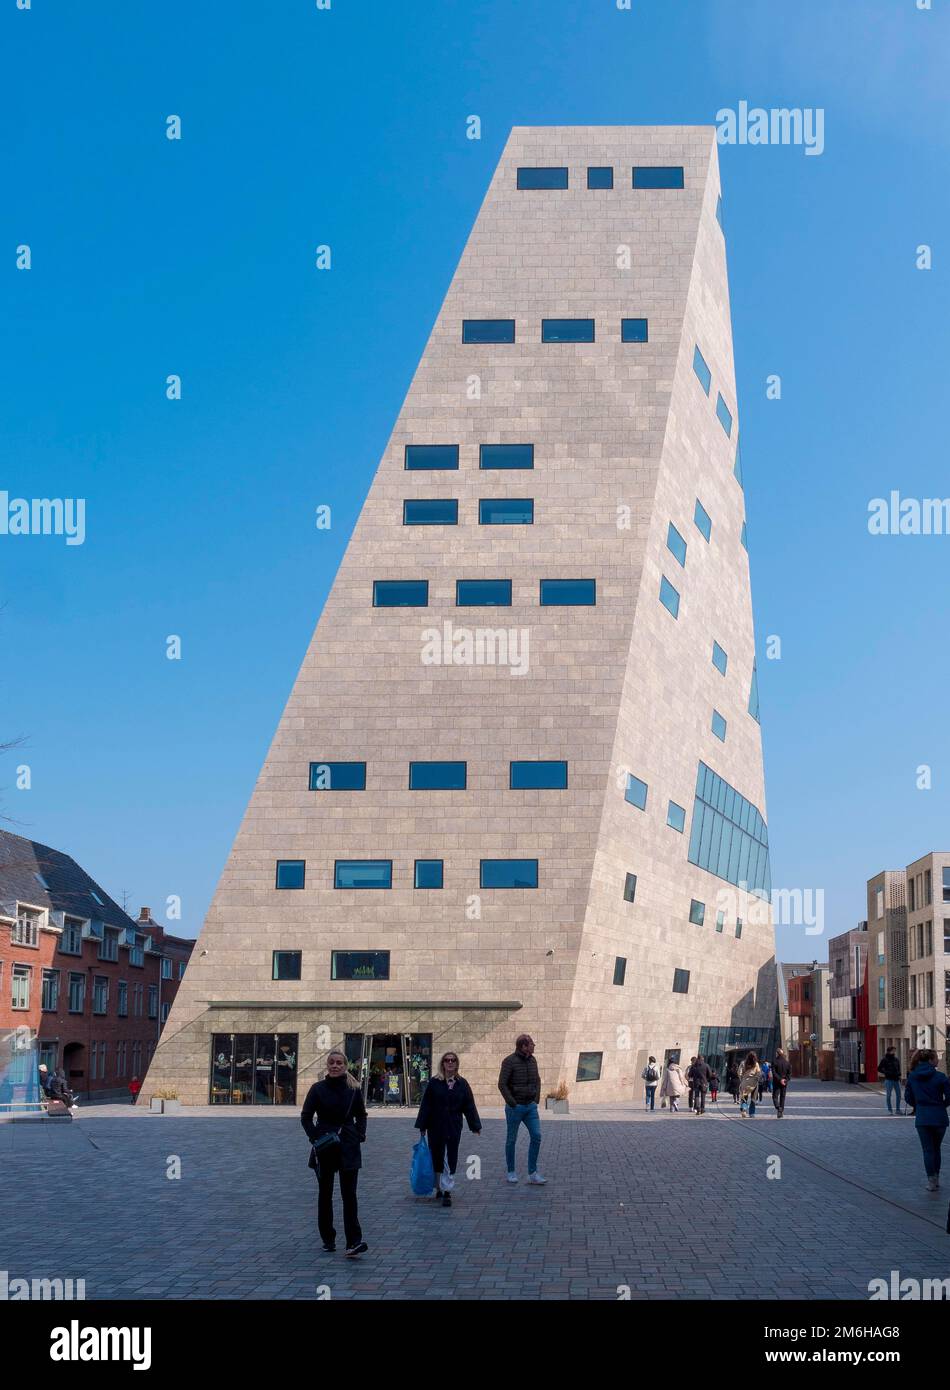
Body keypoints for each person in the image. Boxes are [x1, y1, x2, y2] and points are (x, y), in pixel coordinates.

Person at [300, 1049, 369, 1257]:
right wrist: (315, 1138)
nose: (335, 1065)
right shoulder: (317, 1089)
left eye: (339, 1062)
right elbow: (305, 1117)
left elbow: (361, 1115)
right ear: (327, 1066)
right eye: (332, 1062)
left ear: (345, 1066)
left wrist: (359, 1135)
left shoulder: (354, 1089)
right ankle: (328, 1239)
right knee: (325, 1195)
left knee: (350, 1196)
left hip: (348, 1145)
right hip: (325, 1147)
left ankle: (353, 1242)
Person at [414, 1050, 481, 1207]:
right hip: (435, 1126)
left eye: (453, 1060)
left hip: (453, 1126)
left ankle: (447, 1190)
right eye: (447, 1060)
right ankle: (439, 1187)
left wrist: (475, 1126)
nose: (450, 1062)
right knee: (436, 1155)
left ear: (457, 1064)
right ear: (442, 1064)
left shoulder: (462, 1084)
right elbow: (426, 1105)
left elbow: (469, 1106)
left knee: (449, 1157)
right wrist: (422, 1126)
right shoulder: (434, 1083)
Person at [498, 1034, 545, 1185]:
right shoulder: (509, 1061)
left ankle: (533, 1173)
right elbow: (502, 1084)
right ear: (523, 1046)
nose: (534, 1046)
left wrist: (536, 1099)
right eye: (531, 1044)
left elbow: (537, 1080)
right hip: (515, 1108)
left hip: (530, 1107)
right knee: (511, 1140)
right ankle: (511, 1172)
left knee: (536, 1136)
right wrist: (512, 1103)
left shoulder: (533, 1060)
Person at [904, 1048, 950, 1191]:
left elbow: (908, 1097)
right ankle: (936, 1178)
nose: (938, 1060)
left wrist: (918, 1105)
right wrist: (942, 1105)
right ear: (930, 1060)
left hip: (923, 1117)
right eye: (936, 1058)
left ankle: (931, 1180)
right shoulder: (940, 1077)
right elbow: (949, 1095)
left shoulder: (912, 1077)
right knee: (937, 1149)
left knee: (927, 1150)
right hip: (939, 1117)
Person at [877, 1046, 903, 1115]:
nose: (894, 1052)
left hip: (896, 1079)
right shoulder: (885, 1059)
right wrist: (886, 1072)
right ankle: (890, 1110)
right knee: (888, 1095)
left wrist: (899, 1074)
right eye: (893, 1051)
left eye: (895, 1051)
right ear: (889, 1051)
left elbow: (898, 1068)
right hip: (889, 1080)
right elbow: (879, 1068)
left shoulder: (896, 1059)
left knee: (899, 1095)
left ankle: (898, 1109)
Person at [738, 1051, 763, 1118]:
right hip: (754, 1083)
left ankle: (744, 1110)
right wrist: (757, 1078)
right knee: (753, 1099)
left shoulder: (743, 1063)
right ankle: (752, 1113)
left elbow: (739, 1072)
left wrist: (742, 1079)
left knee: (744, 1098)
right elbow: (758, 1073)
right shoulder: (756, 1064)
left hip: (745, 1082)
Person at [771, 1048, 791, 1117]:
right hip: (784, 1083)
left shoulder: (774, 1061)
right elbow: (789, 1074)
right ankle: (781, 1112)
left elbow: (774, 1073)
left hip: (776, 1082)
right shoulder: (787, 1062)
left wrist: (780, 1079)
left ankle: (778, 1108)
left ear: (777, 1053)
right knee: (782, 1097)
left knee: (775, 1097)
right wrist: (785, 1080)